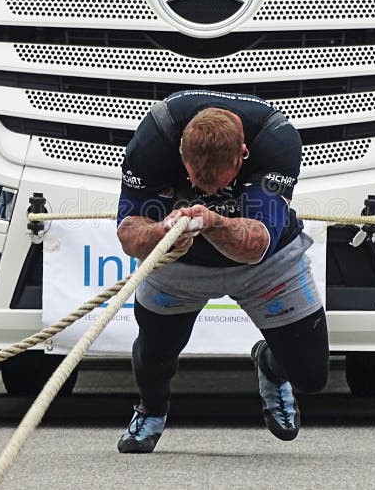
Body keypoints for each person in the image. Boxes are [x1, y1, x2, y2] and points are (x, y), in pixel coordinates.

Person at [115, 90, 329, 453]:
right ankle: (151, 409)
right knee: (154, 355)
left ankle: (270, 364)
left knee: (311, 375)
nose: (203, 190)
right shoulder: (155, 137)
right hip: (179, 263)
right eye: (195, 181)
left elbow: (258, 245)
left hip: (267, 264)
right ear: (180, 152)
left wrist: (212, 221)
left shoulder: (276, 140)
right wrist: (160, 231)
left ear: (243, 155)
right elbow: (127, 233)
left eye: (214, 185)